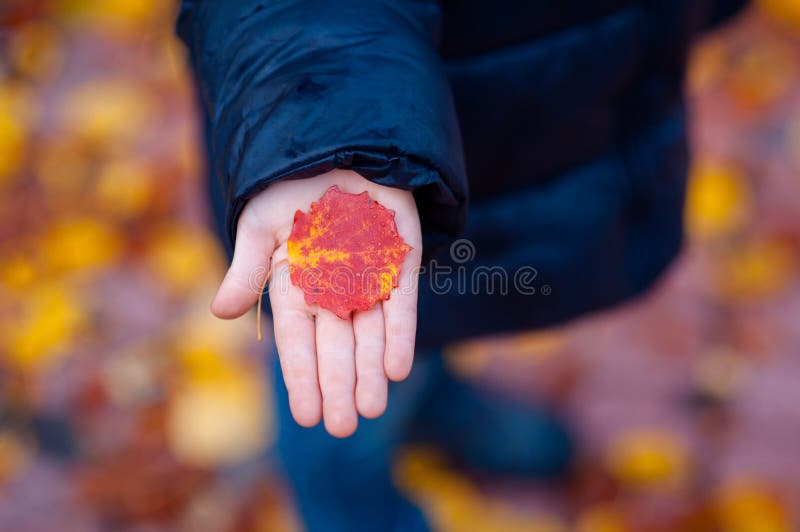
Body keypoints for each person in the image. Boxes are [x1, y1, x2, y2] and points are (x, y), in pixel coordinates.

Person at [177, 1, 746, 530]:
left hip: (559, 96)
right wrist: (331, 129)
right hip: (369, 116)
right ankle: (354, 511)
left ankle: (437, 405)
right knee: (346, 386)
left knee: (437, 309)